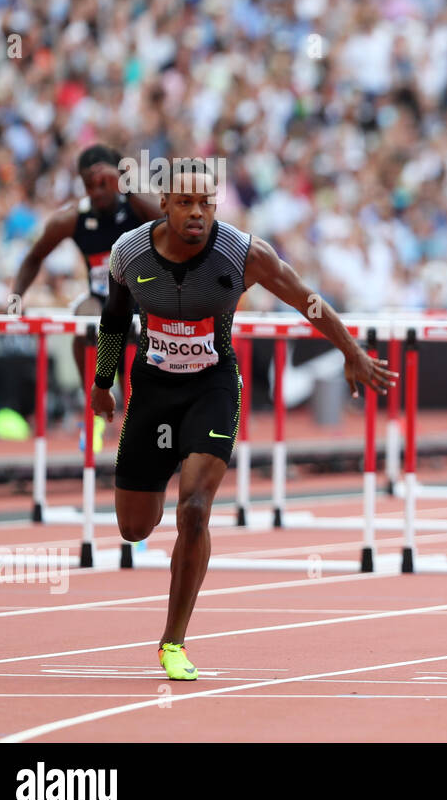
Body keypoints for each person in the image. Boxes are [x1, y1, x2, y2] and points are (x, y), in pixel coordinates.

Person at [90, 164, 395, 680]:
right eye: (185, 203)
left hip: (212, 388)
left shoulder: (244, 253)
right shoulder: (129, 253)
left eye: (206, 203)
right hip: (154, 392)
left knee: (195, 508)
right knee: (133, 526)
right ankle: (157, 478)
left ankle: (173, 641)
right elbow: (115, 318)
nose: (197, 214)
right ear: (164, 204)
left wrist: (352, 352)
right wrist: (102, 382)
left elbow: (308, 300)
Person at [0, 145, 163, 449]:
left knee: (141, 394)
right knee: (83, 317)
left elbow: (172, 224)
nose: (97, 192)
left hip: (143, 304)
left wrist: (130, 187)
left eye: (105, 183)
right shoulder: (72, 218)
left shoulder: (138, 207)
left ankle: (148, 423)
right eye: (90, 185)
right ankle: (96, 407)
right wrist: (14, 302)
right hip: (102, 303)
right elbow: (33, 257)